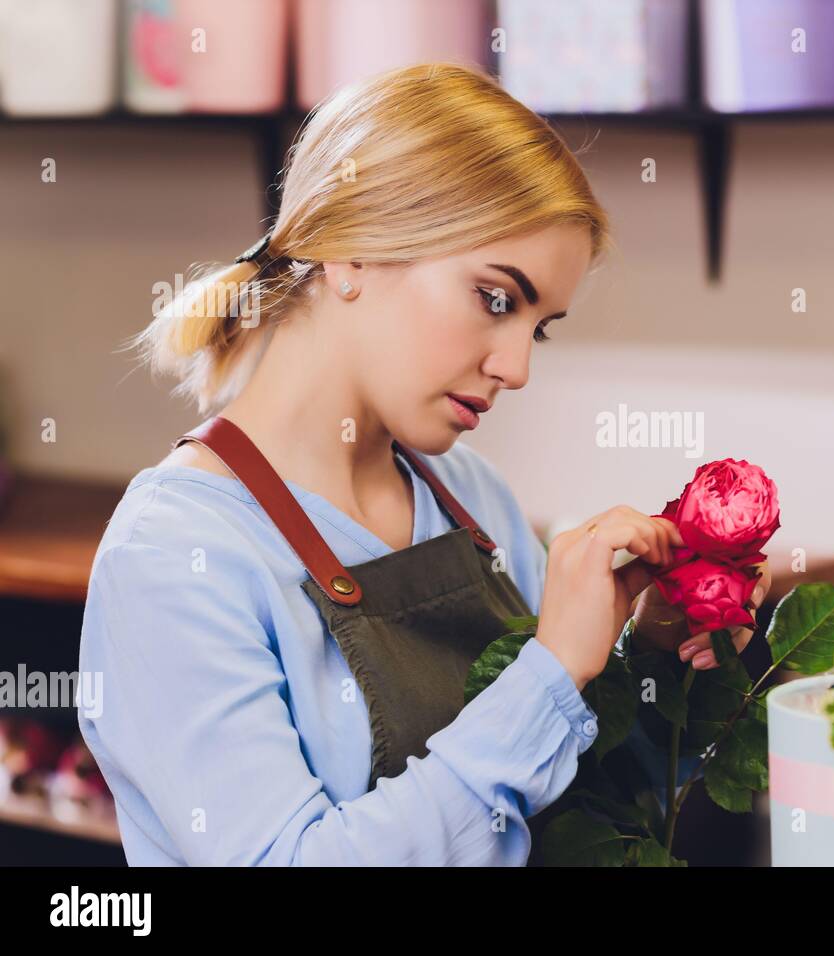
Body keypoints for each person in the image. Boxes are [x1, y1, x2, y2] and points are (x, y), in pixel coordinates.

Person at [78, 63, 767, 866]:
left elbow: (576, 817)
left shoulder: (472, 498)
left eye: (538, 327)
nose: (517, 368)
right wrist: (546, 675)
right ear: (351, 252)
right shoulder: (173, 556)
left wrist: (642, 658)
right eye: (498, 298)